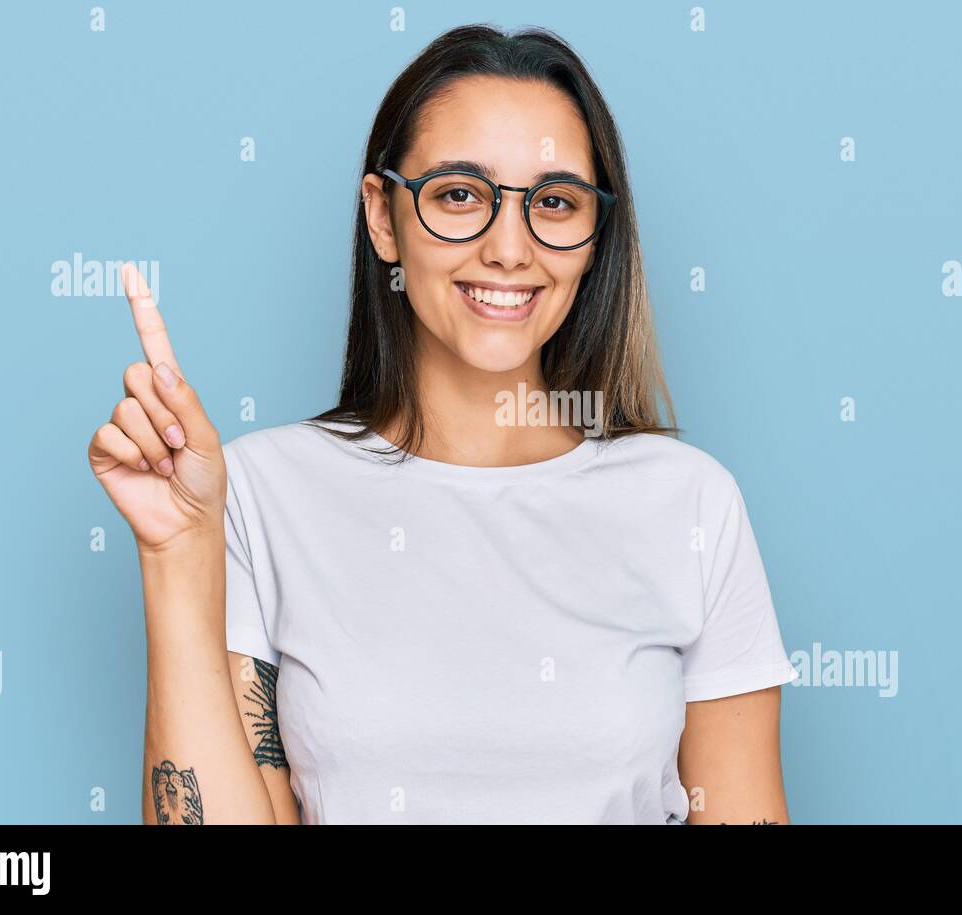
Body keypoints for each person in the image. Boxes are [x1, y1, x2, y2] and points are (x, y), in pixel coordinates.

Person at [88, 23, 799, 825]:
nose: (508, 248)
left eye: (555, 202)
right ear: (384, 217)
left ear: (596, 237)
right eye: (459, 194)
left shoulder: (692, 504)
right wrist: (178, 553)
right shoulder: (256, 493)